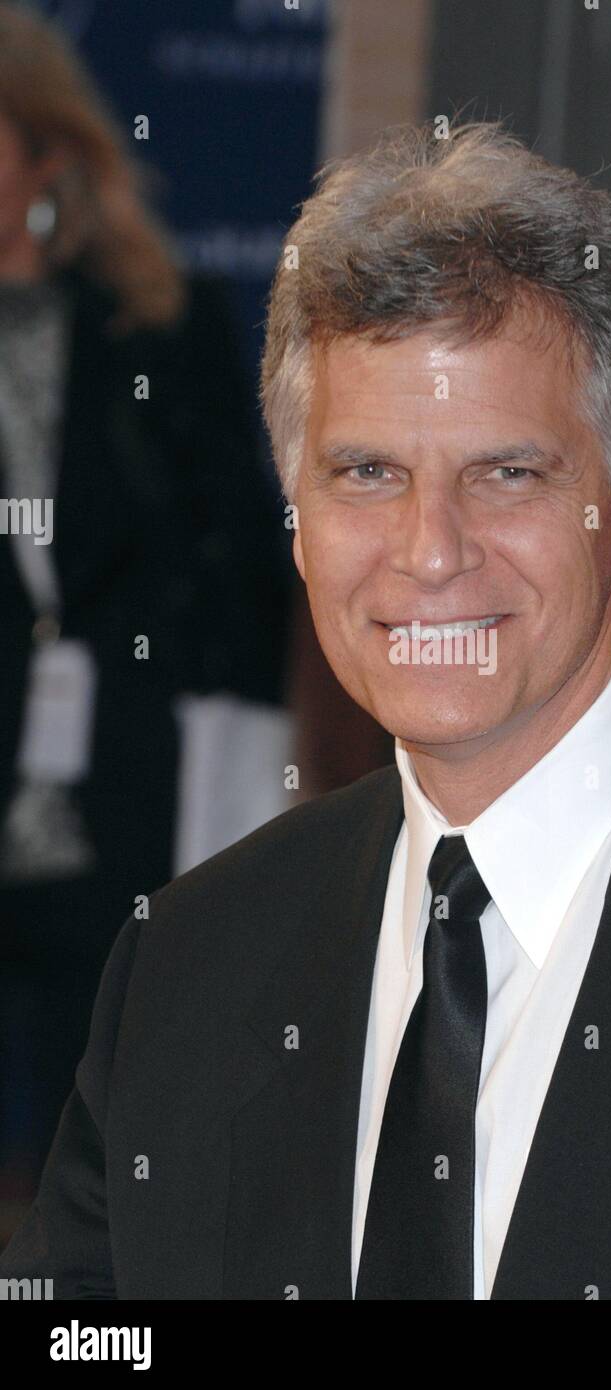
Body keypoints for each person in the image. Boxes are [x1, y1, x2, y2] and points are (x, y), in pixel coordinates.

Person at [1, 118, 611, 1301]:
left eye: (506, 472)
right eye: (367, 473)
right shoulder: (187, 965)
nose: (428, 554)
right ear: (297, 520)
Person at [0, 3, 291, 1228]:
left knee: (101, 1114)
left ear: (47, 158)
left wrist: (233, 780)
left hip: (116, 778)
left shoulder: (158, 329)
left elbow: (240, 568)